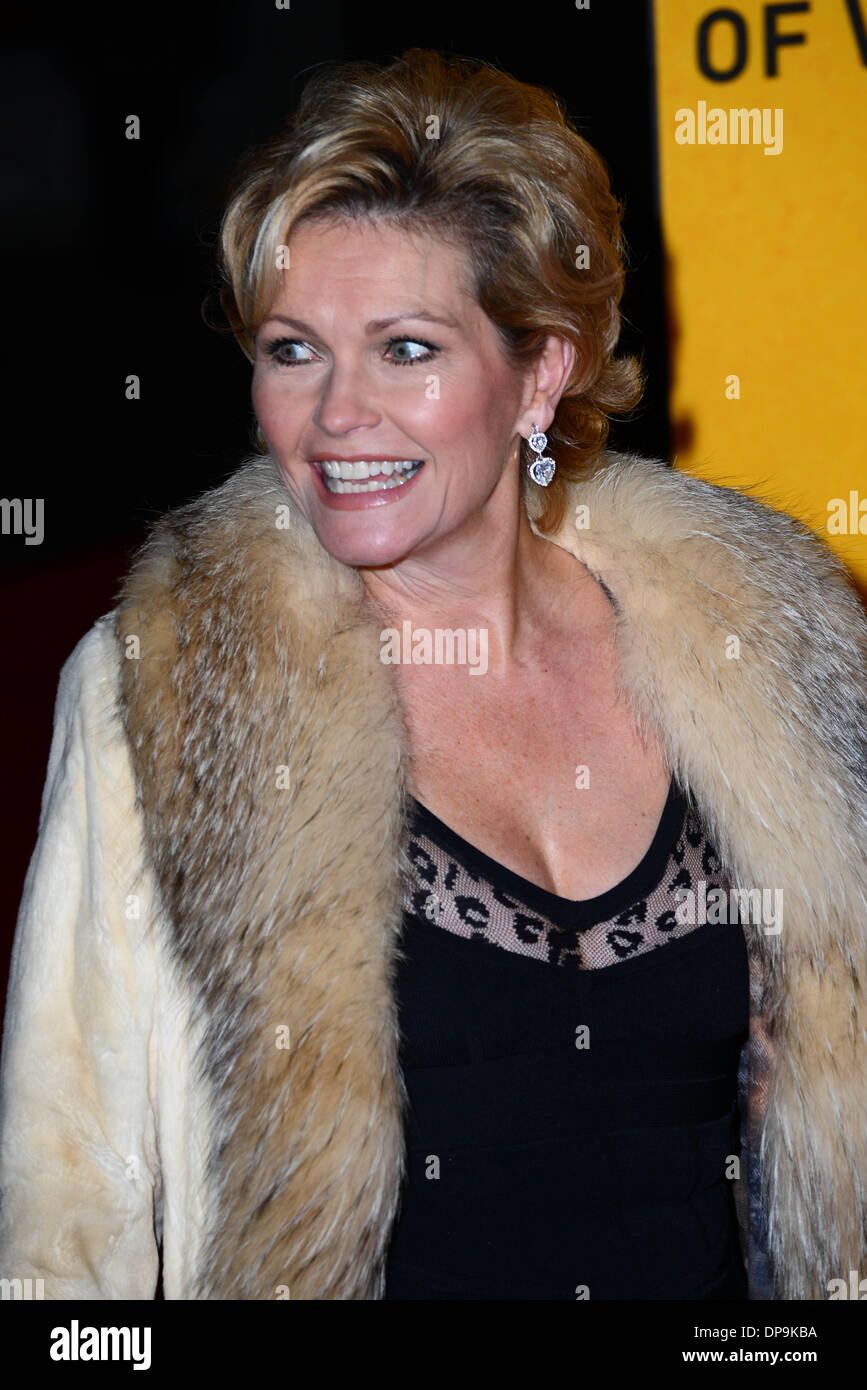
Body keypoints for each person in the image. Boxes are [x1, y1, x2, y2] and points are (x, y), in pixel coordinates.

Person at [1, 46, 866, 1302]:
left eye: (405, 349)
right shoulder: (168, 687)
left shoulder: (764, 665)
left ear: (542, 371)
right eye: (294, 351)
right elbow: (64, 1202)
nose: (335, 413)